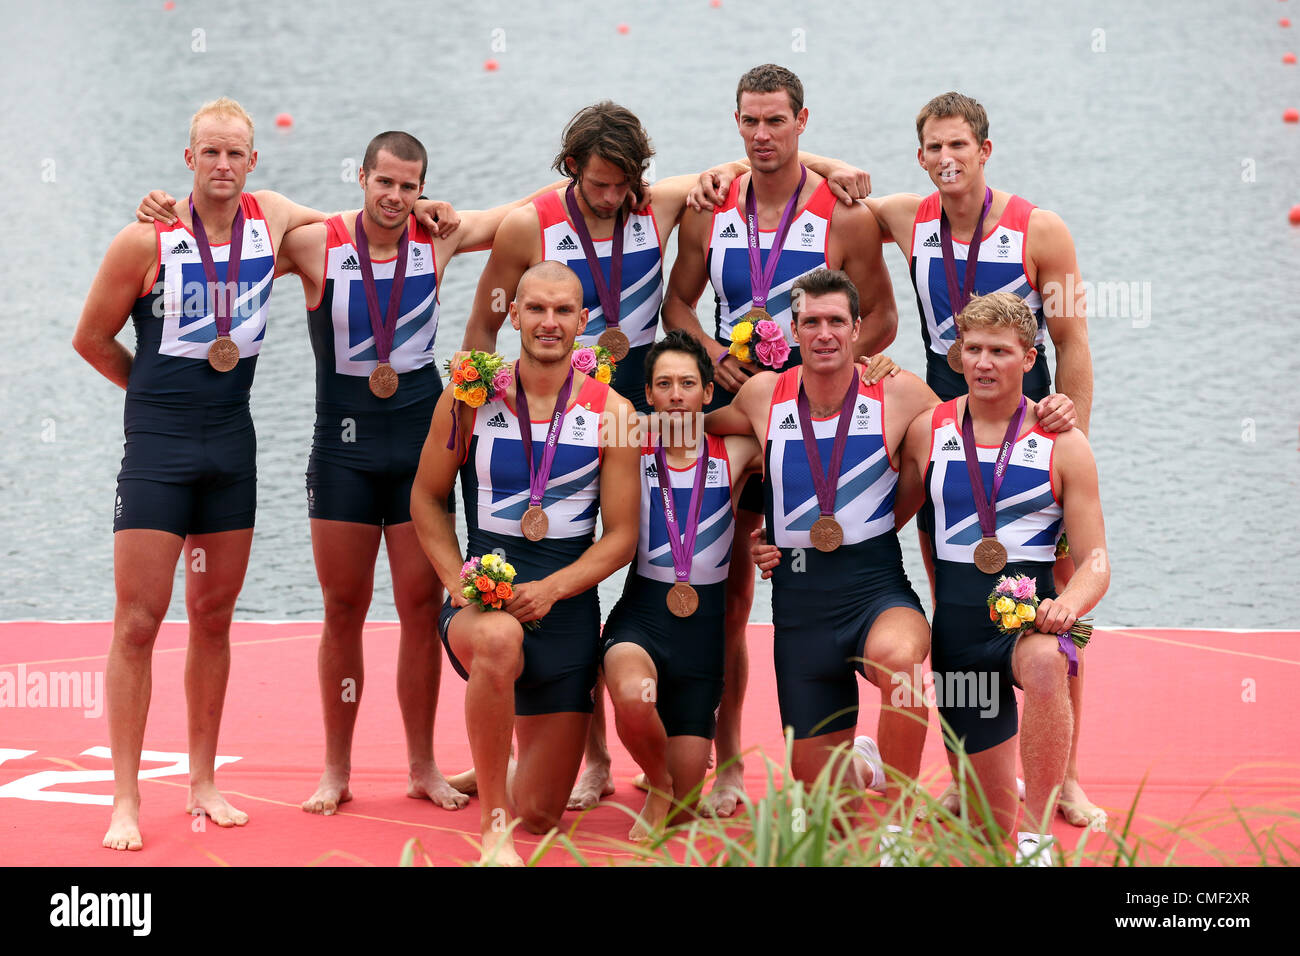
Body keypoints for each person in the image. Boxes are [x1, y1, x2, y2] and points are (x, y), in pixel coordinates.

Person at [72, 97, 347, 851]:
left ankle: (202, 781)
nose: (223, 165)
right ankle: (125, 798)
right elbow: (91, 339)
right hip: (159, 450)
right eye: (210, 152)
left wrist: (433, 214)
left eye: (236, 153)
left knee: (214, 617)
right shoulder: (146, 239)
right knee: (137, 621)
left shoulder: (278, 219)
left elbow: (362, 234)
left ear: (253, 162)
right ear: (188, 159)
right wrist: (156, 398)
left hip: (233, 450)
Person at [263, 132, 562, 816]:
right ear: (362, 178)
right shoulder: (316, 244)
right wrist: (162, 211)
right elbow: (243, 230)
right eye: (384, 183)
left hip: (421, 448)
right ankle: (335, 769)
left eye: (409, 186)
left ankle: (422, 764)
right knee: (342, 610)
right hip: (341, 450)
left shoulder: (440, 240)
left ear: (422, 189)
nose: (396, 198)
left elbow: (531, 211)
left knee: (420, 609)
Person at [661, 64, 898, 815]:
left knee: (834, 562)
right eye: (750, 122)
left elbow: (884, 319)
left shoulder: (845, 214)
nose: (763, 136)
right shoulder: (709, 207)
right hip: (744, 416)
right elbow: (678, 302)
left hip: (813, 423)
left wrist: (823, 372)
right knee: (729, 601)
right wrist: (712, 356)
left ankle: (864, 735)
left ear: (803, 122)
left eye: (776, 122)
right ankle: (728, 761)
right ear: (736, 125)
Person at [866, 91, 1102, 826]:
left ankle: (1065, 778)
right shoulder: (908, 218)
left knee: (1058, 617)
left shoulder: (1041, 230)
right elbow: (830, 192)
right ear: (920, 155)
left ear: (985, 151)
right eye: (933, 148)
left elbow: (1073, 343)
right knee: (958, 605)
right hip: (950, 440)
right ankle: (977, 765)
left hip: (1032, 438)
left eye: (958, 146)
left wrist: (1070, 433)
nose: (946, 160)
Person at [410, 260, 640, 865]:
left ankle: (499, 766)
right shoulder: (468, 400)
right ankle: (493, 829)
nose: (549, 322)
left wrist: (553, 590)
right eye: (535, 308)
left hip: (563, 614)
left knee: (540, 811)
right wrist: (456, 580)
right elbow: (426, 499)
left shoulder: (613, 413)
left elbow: (620, 536)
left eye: (563, 311)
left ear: (582, 322)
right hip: (483, 606)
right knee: (500, 640)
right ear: (512, 315)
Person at [713, 269, 935, 835]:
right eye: (811, 322)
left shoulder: (900, 391)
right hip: (800, 604)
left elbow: (970, 432)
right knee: (831, 822)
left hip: (874, 588)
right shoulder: (763, 394)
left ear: (859, 328)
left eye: (837, 321)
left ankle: (901, 831)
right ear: (792, 330)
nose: (825, 333)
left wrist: (1046, 413)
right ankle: (863, 762)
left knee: (904, 667)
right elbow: (693, 427)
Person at [894, 291, 1109, 864]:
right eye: (973, 350)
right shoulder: (927, 430)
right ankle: (965, 797)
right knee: (987, 834)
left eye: (1000, 351)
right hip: (958, 638)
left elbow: (1095, 561)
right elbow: (885, 519)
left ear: (1030, 359)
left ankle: (1038, 840)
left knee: (1046, 662)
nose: (984, 362)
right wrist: (778, 545)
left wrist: (1070, 606)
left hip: (1029, 622)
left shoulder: (1063, 442)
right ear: (958, 356)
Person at [601, 330, 761, 840]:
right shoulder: (630, 444)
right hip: (644, 615)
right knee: (631, 693)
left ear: (708, 391)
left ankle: (675, 778)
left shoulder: (735, 451)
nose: (675, 394)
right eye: (664, 384)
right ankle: (654, 781)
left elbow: (801, 414)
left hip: (702, 638)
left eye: (687, 384)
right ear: (647, 394)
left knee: (688, 806)